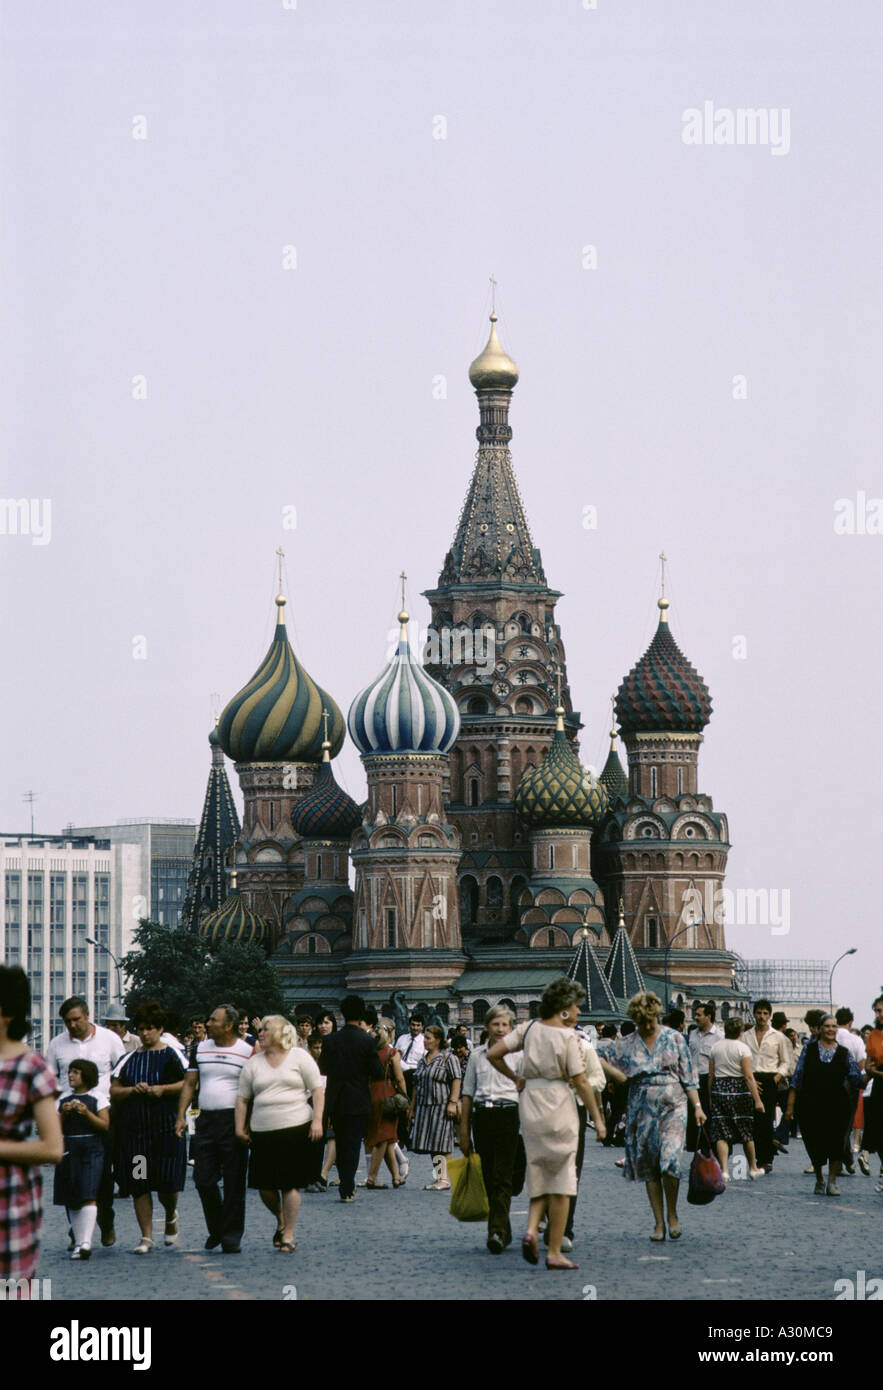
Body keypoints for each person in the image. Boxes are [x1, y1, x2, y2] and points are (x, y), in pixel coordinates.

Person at [486, 979, 606, 1271]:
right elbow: (580, 1080)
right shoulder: (568, 1038)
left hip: (530, 1103)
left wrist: (516, 1079)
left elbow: (492, 1054)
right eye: (576, 1007)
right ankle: (554, 1250)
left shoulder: (528, 1029)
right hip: (559, 1103)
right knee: (564, 1178)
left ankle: (530, 1229)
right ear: (564, 1010)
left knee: (537, 1169)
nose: (578, 1012)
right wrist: (598, 1119)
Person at [610, 990, 704, 1242]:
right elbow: (595, 1057)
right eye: (642, 1022)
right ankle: (658, 1222)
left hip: (674, 1106)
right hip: (641, 1109)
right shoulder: (627, 1042)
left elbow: (689, 1076)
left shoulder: (674, 1039)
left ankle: (673, 1214)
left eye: (651, 1020)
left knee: (670, 1161)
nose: (648, 1025)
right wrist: (617, 1076)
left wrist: (697, 1106)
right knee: (650, 1166)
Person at [235, 1015, 324, 1251]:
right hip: (262, 1130)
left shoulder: (299, 1056)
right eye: (260, 1030)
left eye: (266, 1029)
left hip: (295, 1127)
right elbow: (242, 1098)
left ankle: (289, 1233)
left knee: (290, 1184)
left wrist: (317, 1120)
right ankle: (280, 1219)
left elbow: (317, 1090)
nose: (260, 1033)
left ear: (281, 1033)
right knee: (265, 1186)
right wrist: (239, 1126)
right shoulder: (254, 1063)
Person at [0, 965, 64, 1285]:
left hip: (10, 1201)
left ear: (6, 1012)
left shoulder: (31, 1067)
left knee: (14, 1290)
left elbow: (53, 1148)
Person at [46, 995, 125, 1247]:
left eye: (76, 1019)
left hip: (103, 1113)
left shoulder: (109, 1039)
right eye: (67, 1021)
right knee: (69, 1175)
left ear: (88, 1015)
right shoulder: (57, 1044)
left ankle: (106, 1220)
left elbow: (121, 1072)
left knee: (102, 1175)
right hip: (68, 1116)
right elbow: (49, 1081)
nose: (72, 1025)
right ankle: (77, 1232)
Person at [175, 1003, 252, 1253]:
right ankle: (217, 1227)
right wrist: (181, 1116)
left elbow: (254, 1087)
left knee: (233, 1181)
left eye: (213, 1020)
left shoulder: (248, 1050)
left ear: (228, 1025)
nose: (207, 1024)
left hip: (234, 1120)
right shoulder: (200, 1049)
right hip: (205, 1120)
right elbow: (189, 1084)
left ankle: (231, 1235)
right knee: (203, 1179)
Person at [111, 1001, 187, 1253]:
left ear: (160, 1029)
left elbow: (188, 1083)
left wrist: (163, 1090)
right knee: (139, 1183)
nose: (145, 1033)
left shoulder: (172, 1054)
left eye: (151, 1028)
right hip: (137, 1134)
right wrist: (133, 1090)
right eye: (141, 1028)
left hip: (166, 1130)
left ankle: (170, 1215)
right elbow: (114, 1090)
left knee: (166, 1183)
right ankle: (146, 1236)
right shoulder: (128, 1059)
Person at [459, 1005, 521, 1253]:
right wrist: (463, 1132)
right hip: (483, 1116)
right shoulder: (476, 1056)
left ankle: (495, 1231)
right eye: (496, 1024)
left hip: (509, 1114)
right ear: (487, 1027)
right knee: (487, 1177)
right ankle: (502, 1228)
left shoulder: (519, 1055)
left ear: (511, 1028)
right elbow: (467, 1095)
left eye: (505, 1025)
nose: (500, 1029)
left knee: (502, 1176)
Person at [784, 1014, 862, 1196]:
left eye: (834, 1026)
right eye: (827, 1026)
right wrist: (790, 1106)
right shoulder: (809, 1050)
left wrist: (870, 1073)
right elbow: (797, 1078)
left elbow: (856, 1077)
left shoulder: (844, 1052)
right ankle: (819, 1178)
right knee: (815, 1143)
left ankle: (832, 1181)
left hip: (838, 1105)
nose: (831, 1030)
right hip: (812, 1104)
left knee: (837, 1142)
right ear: (820, 1028)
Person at [319, 995, 384, 1203]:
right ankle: (348, 1186)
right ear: (361, 1014)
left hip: (336, 1098)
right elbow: (377, 1072)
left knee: (340, 1140)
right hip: (358, 1099)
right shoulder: (367, 1041)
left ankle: (343, 1180)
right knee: (353, 1143)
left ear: (342, 1013)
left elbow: (323, 1068)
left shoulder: (330, 1040)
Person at [54, 1058, 110, 1259]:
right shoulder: (62, 1099)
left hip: (91, 1148)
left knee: (88, 1193)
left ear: (86, 1075)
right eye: (70, 1071)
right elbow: (53, 1127)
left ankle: (86, 1241)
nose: (70, 1075)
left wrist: (86, 1113)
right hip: (68, 1148)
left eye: (76, 1072)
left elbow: (104, 1125)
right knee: (71, 1196)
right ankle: (78, 1242)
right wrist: (63, 1114)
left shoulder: (98, 1097)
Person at [707, 1018, 765, 1181]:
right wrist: (757, 1099)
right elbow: (748, 1076)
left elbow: (711, 1076)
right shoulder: (743, 1048)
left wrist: (711, 1096)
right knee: (746, 1132)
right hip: (739, 1090)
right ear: (741, 1032)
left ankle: (724, 1170)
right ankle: (752, 1167)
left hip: (720, 1089)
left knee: (721, 1132)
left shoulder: (715, 1047)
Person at [408, 1025, 462, 1190]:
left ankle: (445, 1179)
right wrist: (412, 1107)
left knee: (443, 1143)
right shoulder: (423, 1060)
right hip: (425, 1107)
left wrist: (452, 1102)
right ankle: (440, 1177)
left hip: (441, 1107)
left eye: (428, 1038)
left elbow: (456, 1079)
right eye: (424, 1038)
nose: (425, 1041)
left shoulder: (448, 1058)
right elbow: (417, 1085)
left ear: (438, 1040)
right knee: (432, 1143)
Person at [743, 999, 790, 1172]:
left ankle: (766, 1158)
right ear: (754, 1014)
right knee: (751, 1120)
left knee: (766, 1119)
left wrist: (777, 1077)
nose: (761, 1017)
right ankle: (753, 1158)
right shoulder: (745, 1035)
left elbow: (786, 1061)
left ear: (769, 1016)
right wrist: (750, 1079)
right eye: (758, 1013)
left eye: (765, 1013)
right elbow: (741, 1059)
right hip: (751, 1078)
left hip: (770, 1079)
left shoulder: (778, 1037)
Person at [361, 1019, 407, 1188]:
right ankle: (372, 1178)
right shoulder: (391, 1052)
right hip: (387, 1094)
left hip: (371, 1092)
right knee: (383, 1138)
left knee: (387, 1138)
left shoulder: (370, 1052)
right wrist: (405, 1096)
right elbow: (400, 1078)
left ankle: (395, 1176)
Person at [686, 1002, 723, 1151]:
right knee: (693, 1115)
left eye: (699, 1015)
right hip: (693, 1080)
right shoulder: (693, 1034)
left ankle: (708, 1150)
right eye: (695, 1014)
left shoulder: (719, 1036)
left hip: (709, 1079)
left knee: (708, 1114)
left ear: (708, 1016)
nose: (695, 1018)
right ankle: (696, 1150)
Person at [834, 1007, 866, 1175]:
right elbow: (862, 1064)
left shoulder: (830, 1036)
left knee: (834, 1123)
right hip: (850, 1085)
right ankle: (845, 1159)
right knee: (846, 1124)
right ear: (851, 1022)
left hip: (831, 1083)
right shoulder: (856, 1040)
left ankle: (844, 1159)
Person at [857, 995, 883, 1190]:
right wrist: (872, 1070)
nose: (879, 1014)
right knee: (877, 1125)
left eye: (882, 1010)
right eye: (877, 1011)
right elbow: (868, 1063)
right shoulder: (874, 1035)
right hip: (879, 1084)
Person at [394, 1013, 426, 1149]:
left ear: (422, 1027)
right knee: (401, 1105)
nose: (415, 1028)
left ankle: (411, 1135)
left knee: (413, 1106)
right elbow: (396, 1055)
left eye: (418, 1025)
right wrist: (403, 1067)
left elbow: (424, 1060)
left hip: (416, 1074)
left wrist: (411, 1070)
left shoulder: (424, 1041)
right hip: (401, 1072)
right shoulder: (402, 1039)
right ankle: (402, 1135)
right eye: (413, 1024)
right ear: (409, 1025)